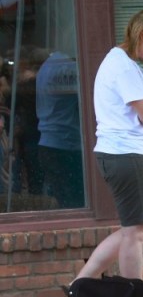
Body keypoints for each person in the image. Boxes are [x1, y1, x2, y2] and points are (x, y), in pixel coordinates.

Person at [75, 8, 143, 281]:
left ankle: (80, 283)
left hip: (119, 153)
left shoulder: (119, 62)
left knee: (135, 228)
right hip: (126, 154)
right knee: (137, 231)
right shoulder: (124, 67)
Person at [36, 47, 84, 208]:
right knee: (74, 203)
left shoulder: (46, 67)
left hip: (50, 142)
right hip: (66, 143)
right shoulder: (66, 67)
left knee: (63, 200)